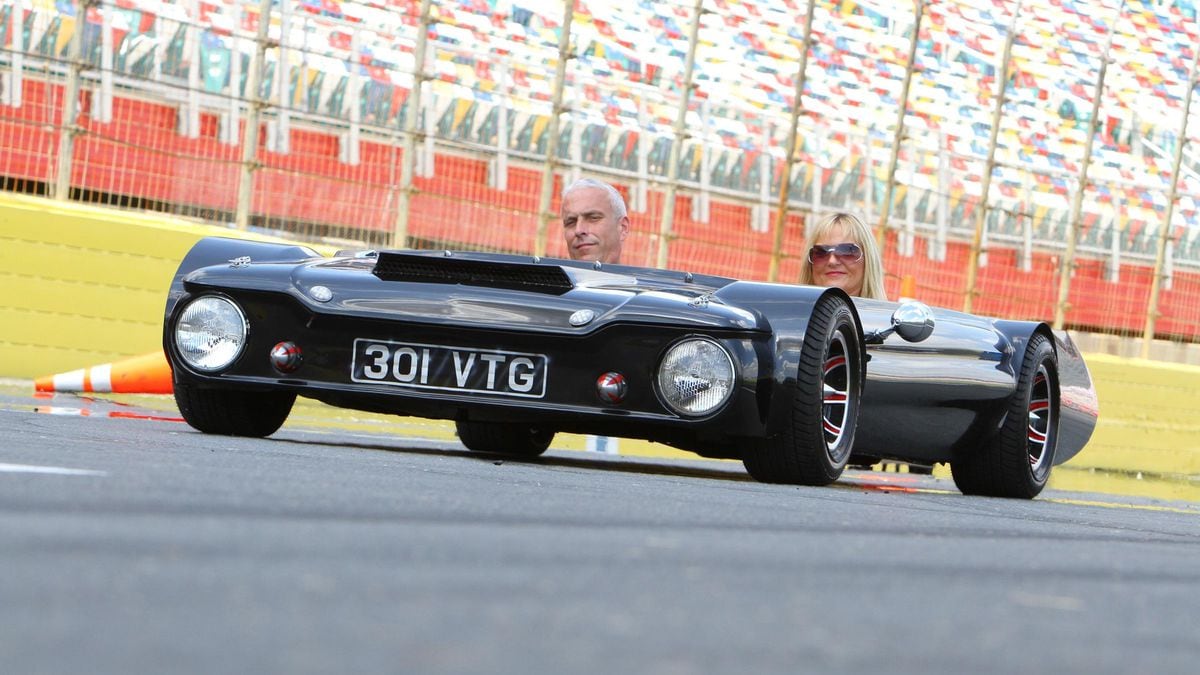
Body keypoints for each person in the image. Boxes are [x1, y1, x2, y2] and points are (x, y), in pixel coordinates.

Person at [798, 211, 888, 300]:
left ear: (868, 260)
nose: (832, 261)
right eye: (821, 252)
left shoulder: (888, 314)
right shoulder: (790, 314)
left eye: (847, 251)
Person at [561, 178, 629, 264]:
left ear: (623, 228)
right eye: (571, 222)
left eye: (593, 218)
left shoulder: (646, 277)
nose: (578, 230)